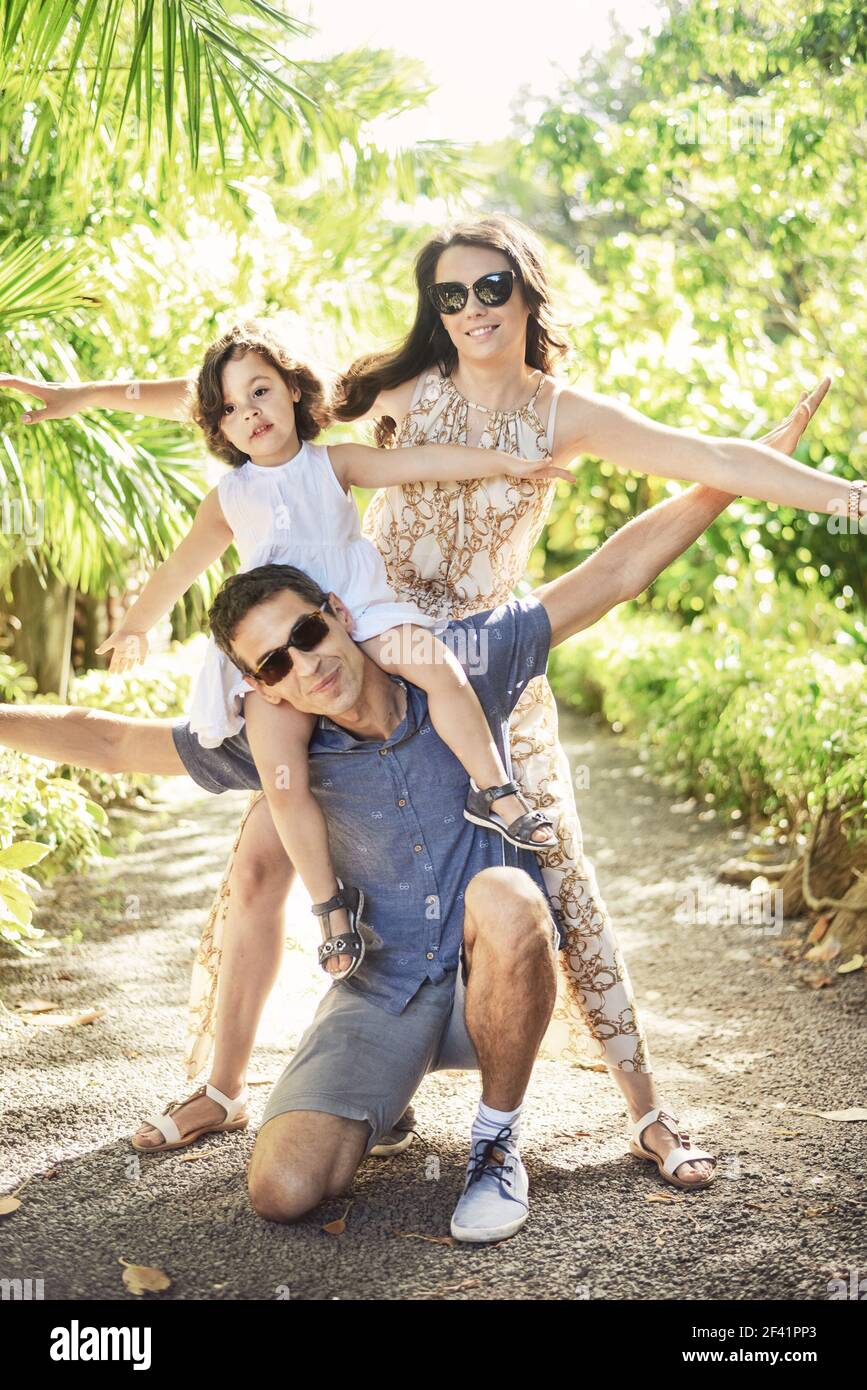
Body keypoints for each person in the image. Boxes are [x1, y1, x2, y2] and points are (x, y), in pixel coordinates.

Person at [0, 213, 851, 1184]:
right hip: (342, 643)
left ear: (528, 292)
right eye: (451, 295)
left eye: (492, 288)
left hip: (470, 659)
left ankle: (647, 1110)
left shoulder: (561, 413)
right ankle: (230, 1086)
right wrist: (78, 396)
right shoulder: (398, 390)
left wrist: (828, 488)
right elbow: (255, 410)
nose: (473, 308)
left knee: (552, 877)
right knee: (261, 867)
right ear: (433, 309)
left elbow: (709, 469)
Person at [0, 470, 753, 1237]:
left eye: (306, 634)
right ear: (265, 690)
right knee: (283, 1191)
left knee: (508, 895)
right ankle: (381, 1098)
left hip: (485, 987)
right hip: (379, 995)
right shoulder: (282, 751)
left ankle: (494, 1146)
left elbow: (613, 575)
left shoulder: (457, 669)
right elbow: (109, 739)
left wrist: (739, 468)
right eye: (273, 666)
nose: (304, 665)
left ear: (336, 613)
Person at [91, 318, 572, 980]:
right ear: (217, 428)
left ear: (292, 390)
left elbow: (418, 463)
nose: (249, 412)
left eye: (259, 391)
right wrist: (138, 623)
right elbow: (181, 567)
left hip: (362, 610)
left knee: (441, 670)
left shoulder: (332, 462)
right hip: (278, 651)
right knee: (281, 773)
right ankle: (329, 907)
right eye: (229, 407)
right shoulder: (229, 496)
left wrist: (506, 464)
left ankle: (497, 793)